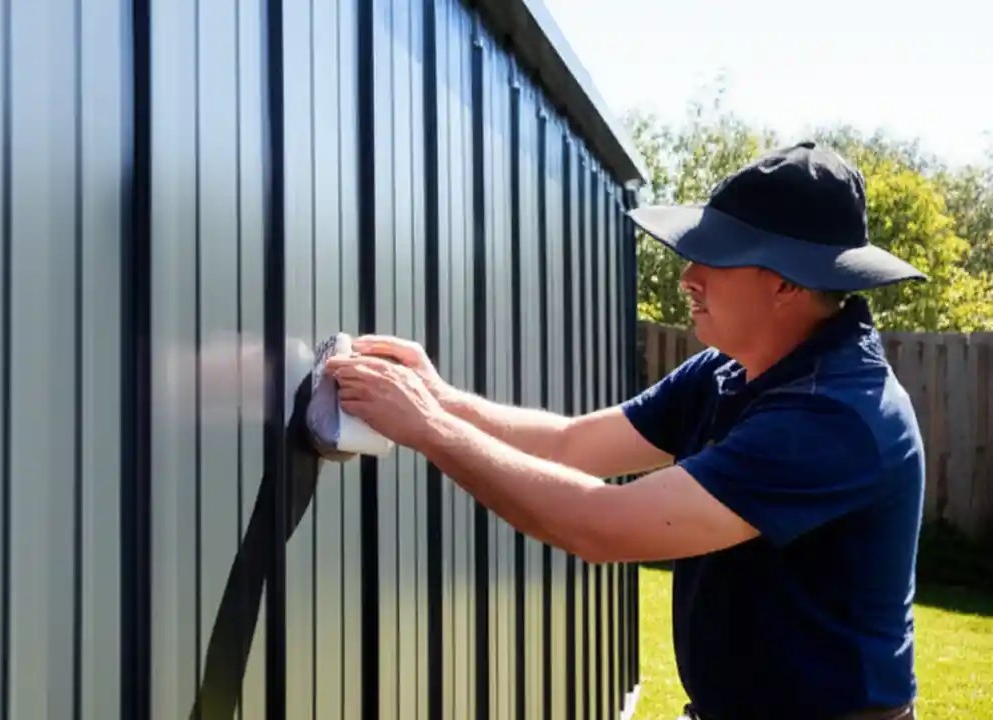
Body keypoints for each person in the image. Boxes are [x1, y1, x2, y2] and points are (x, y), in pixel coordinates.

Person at [326, 142, 926, 720]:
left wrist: (430, 428)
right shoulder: (729, 368)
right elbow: (571, 445)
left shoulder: (835, 416)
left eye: (715, 257)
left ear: (788, 283)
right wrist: (442, 399)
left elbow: (601, 526)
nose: (689, 275)